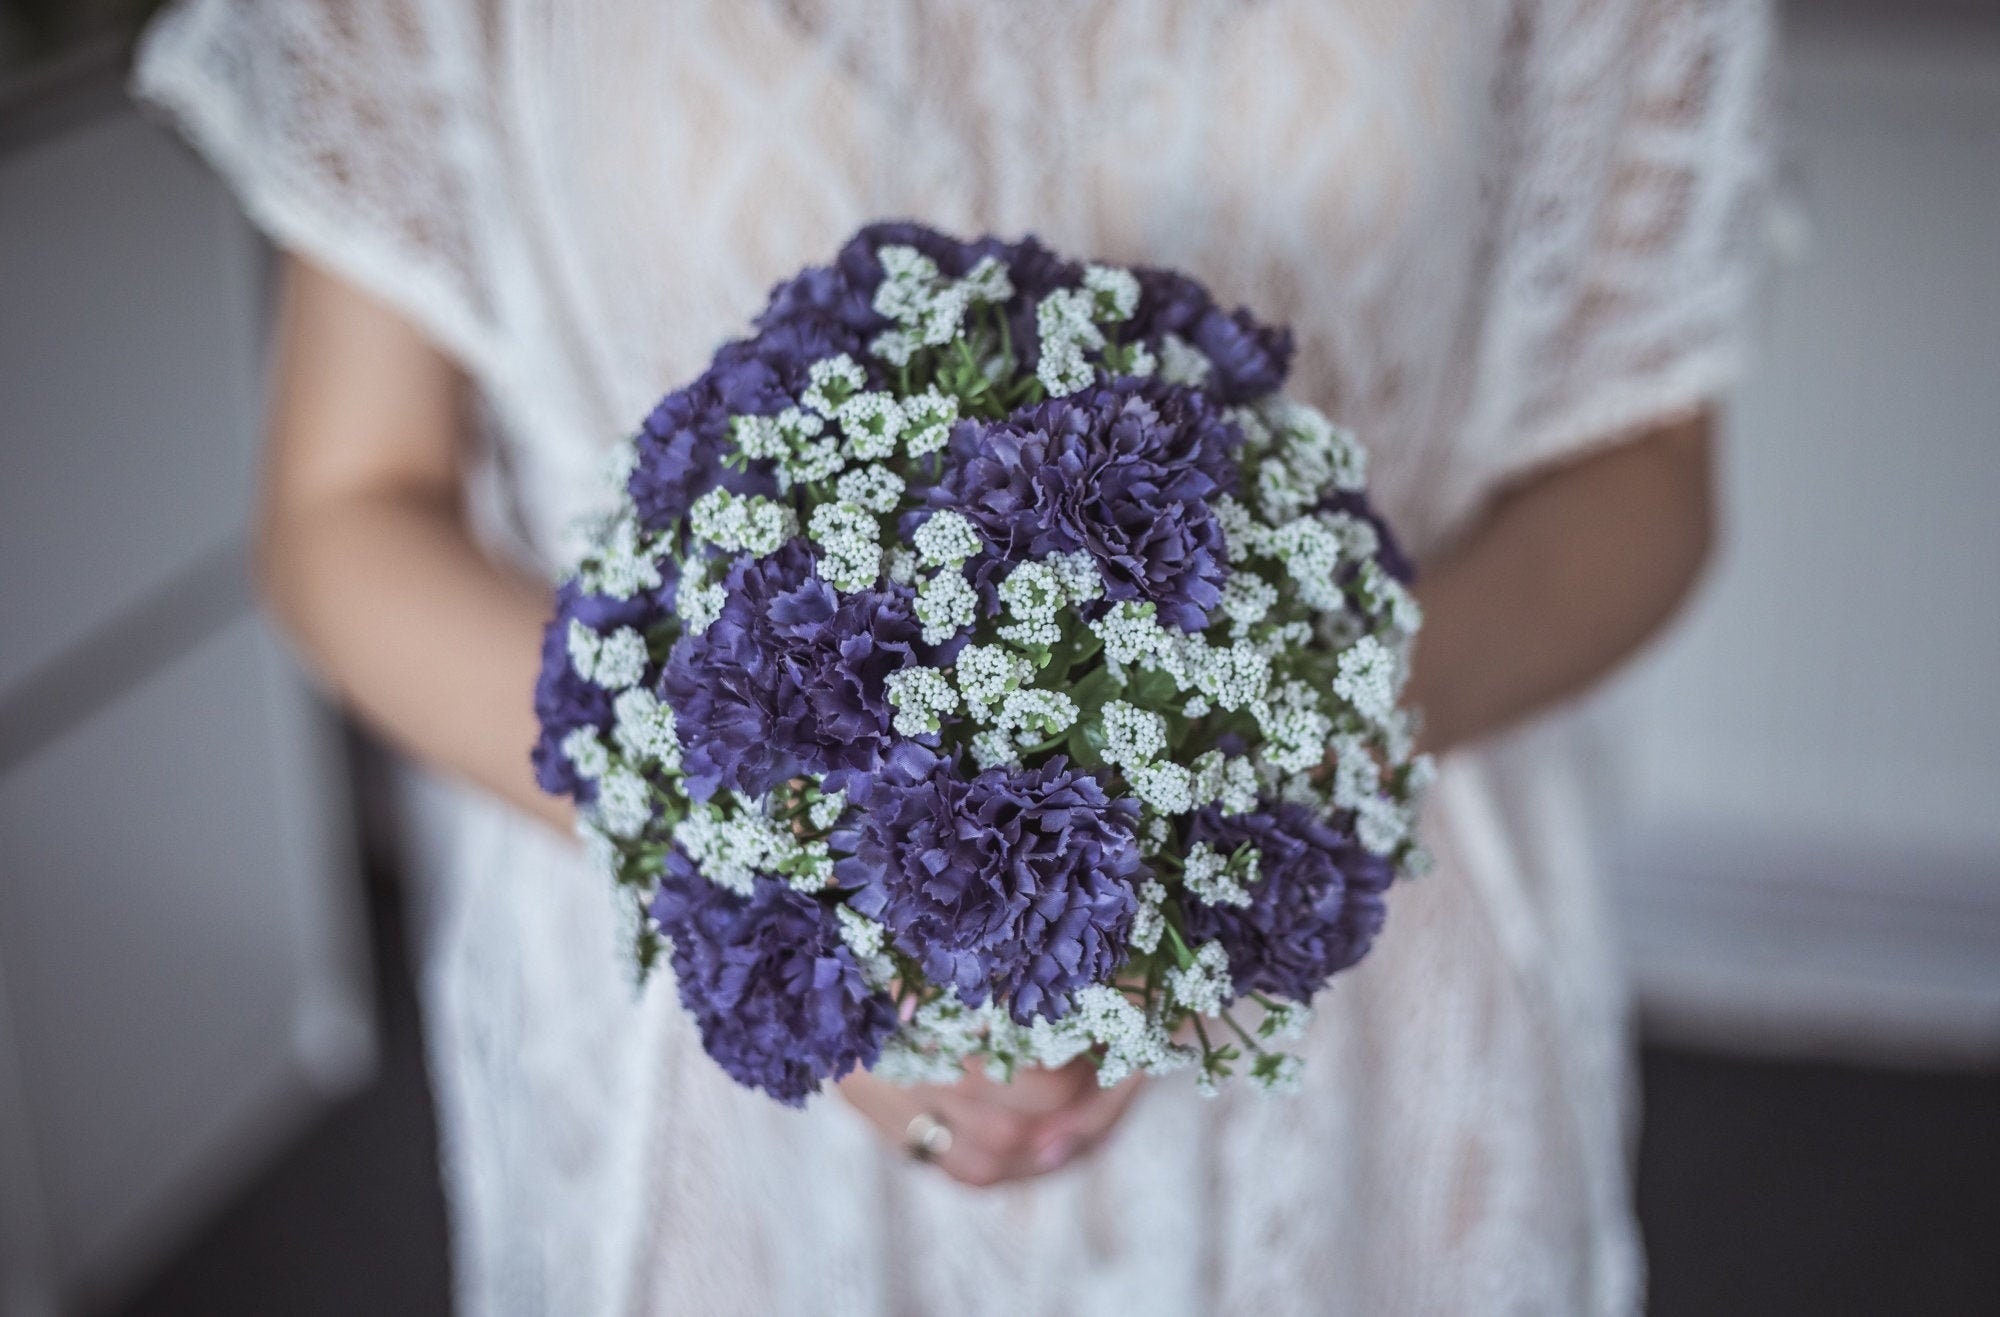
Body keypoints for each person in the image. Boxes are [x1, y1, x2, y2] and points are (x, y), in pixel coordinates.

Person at [131, 0, 1771, 1311]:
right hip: (719, 1052)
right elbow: (347, 508)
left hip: (1347, 972)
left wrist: (1235, 781)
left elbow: (1642, 461)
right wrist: (794, 900)